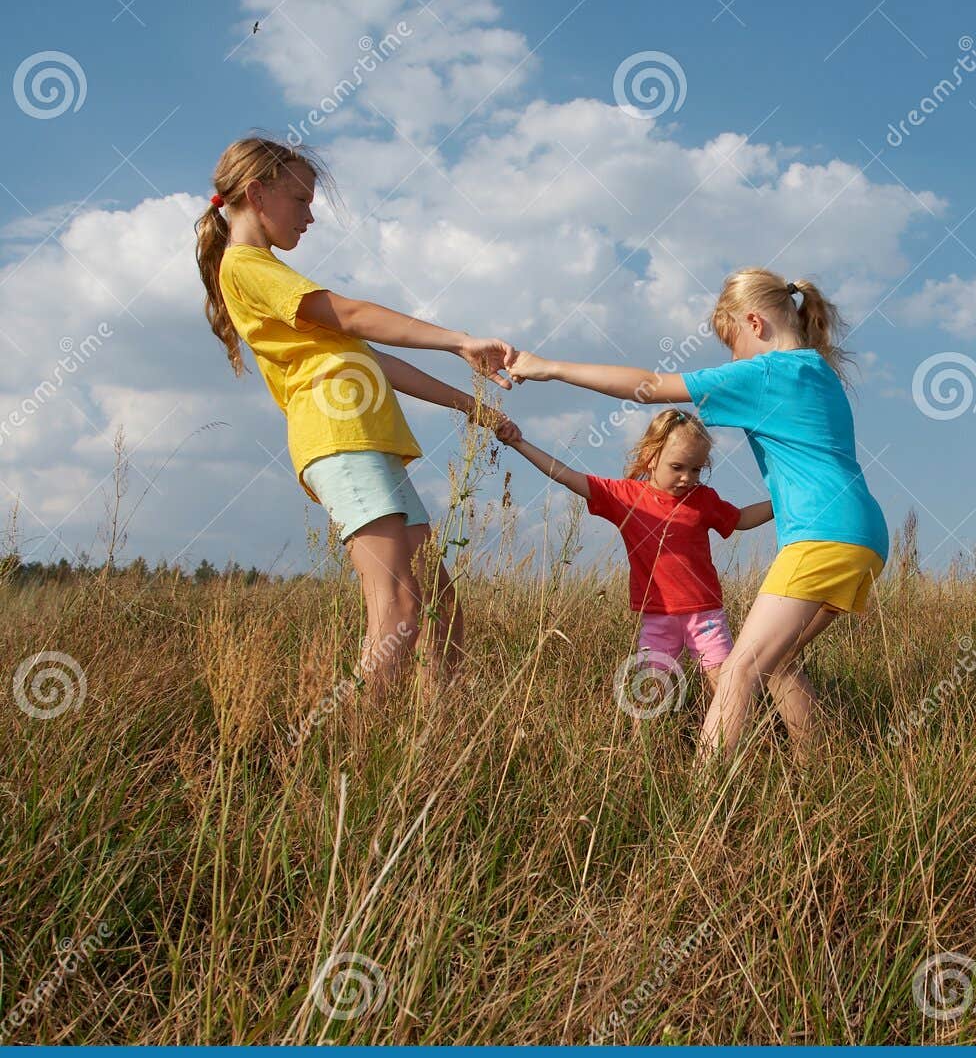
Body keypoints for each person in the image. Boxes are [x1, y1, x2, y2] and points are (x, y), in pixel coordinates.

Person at [508, 268, 887, 753]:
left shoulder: (766, 372)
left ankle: (700, 806)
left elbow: (647, 384)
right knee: (779, 661)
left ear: (755, 323)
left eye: (732, 343)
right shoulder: (819, 370)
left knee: (739, 670)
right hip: (865, 535)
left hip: (821, 535)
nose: (731, 361)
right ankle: (825, 773)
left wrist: (549, 367)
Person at [195, 136, 520, 690]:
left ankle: (427, 754)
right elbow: (352, 314)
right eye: (300, 200)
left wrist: (472, 407)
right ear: (256, 193)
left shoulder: (269, 275)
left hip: (366, 443)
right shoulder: (247, 265)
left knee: (440, 611)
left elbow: (375, 359)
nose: (310, 216)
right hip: (340, 441)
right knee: (397, 611)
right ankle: (362, 758)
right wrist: (457, 340)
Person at [510, 409, 772, 695]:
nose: (687, 478)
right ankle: (640, 740)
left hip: (705, 614)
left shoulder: (703, 499)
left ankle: (729, 738)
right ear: (651, 456)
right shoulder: (625, 496)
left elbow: (742, 520)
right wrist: (519, 443)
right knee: (648, 690)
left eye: (696, 469)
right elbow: (566, 476)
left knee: (725, 686)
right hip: (657, 614)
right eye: (678, 467)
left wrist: (780, 503)